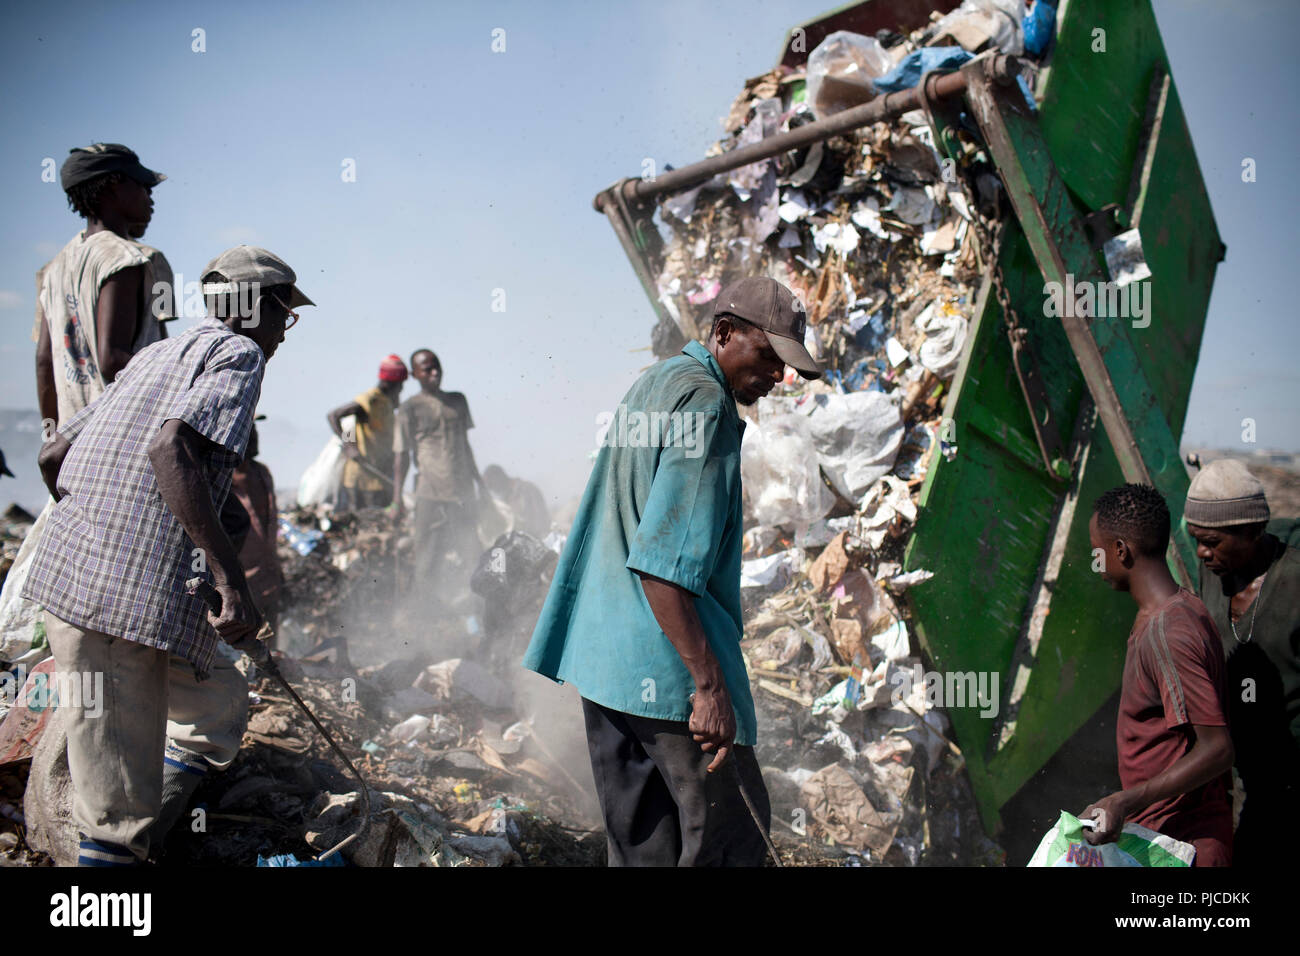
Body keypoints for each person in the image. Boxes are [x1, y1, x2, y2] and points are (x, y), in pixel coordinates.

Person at [22, 245, 311, 866]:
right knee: (118, 812)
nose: (284, 335)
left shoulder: (154, 353)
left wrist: (94, 524)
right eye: (284, 314)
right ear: (255, 307)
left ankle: (151, 832)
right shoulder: (238, 353)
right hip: (117, 608)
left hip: (83, 585)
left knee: (217, 702)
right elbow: (169, 449)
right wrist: (231, 580)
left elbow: (53, 457)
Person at [523, 276, 820, 866]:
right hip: (666, 673)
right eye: (768, 356)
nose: (777, 377)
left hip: (606, 662)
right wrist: (708, 687)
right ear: (725, 332)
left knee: (642, 850)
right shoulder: (706, 404)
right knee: (731, 840)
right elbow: (662, 566)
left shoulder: (656, 381)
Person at [1, 144, 176, 661]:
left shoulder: (52, 270)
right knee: (145, 593)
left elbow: (42, 361)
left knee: (82, 584)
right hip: (127, 449)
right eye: (141, 187)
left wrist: (58, 436)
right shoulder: (133, 259)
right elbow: (116, 357)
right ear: (108, 190)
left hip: (78, 450)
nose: (150, 198)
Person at [1081, 483, 1234, 866]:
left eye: (1097, 552)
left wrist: (1126, 800)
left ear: (1121, 551)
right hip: (1167, 837)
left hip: (1188, 846)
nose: (1095, 562)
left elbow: (1217, 748)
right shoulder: (1176, 611)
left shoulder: (1168, 633)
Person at [1184, 459, 1299, 867]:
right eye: (1196, 539)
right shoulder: (1211, 573)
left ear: (1253, 530)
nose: (1202, 552)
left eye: (1212, 541)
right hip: (1233, 774)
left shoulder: (1294, 586)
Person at [393, 349, 484, 613]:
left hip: (462, 493)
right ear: (414, 375)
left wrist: (481, 486)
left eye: (437, 367)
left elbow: (466, 447)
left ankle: (479, 617)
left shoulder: (458, 401)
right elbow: (402, 456)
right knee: (427, 563)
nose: (434, 373)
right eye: (427, 369)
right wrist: (396, 500)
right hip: (430, 495)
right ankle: (426, 627)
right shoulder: (409, 409)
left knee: (473, 556)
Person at [328, 355, 407, 510]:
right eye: (399, 385)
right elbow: (335, 416)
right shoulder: (369, 400)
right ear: (388, 383)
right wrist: (349, 445)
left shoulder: (388, 403)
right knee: (363, 522)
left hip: (379, 474)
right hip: (361, 476)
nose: (401, 389)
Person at [230, 421, 284, 646]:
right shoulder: (222, 480)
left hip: (267, 574)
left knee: (269, 641)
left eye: (254, 431)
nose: (254, 436)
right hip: (239, 580)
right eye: (247, 431)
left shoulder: (261, 473)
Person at [481, 464, 550, 539]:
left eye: (491, 484)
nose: (492, 490)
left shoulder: (526, 489)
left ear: (498, 478)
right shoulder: (504, 502)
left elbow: (540, 521)